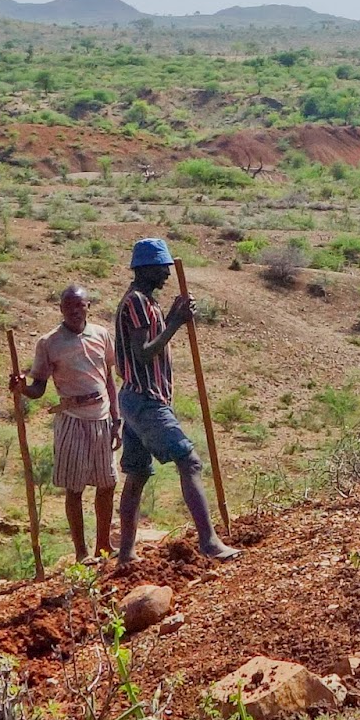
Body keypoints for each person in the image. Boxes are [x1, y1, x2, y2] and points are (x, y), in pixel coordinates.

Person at [113, 239, 239, 563]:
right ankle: (209, 542)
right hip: (145, 399)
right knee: (190, 461)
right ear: (146, 268)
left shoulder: (147, 303)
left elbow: (150, 343)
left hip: (137, 398)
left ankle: (126, 554)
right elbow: (143, 353)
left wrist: (171, 317)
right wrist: (175, 323)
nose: (168, 274)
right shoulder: (137, 303)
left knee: (137, 474)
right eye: (162, 267)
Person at [10, 286, 119, 562]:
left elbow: (109, 380)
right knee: (75, 487)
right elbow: (38, 388)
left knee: (107, 483)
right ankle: (81, 553)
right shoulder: (49, 343)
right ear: (61, 309)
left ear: (88, 306)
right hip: (72, 419)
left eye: (80, 305)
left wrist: (117, 419)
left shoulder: (102, 335)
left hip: (103, 416)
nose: (74, 310)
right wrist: (22, 388)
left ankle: (103, 546)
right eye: (68, 306)